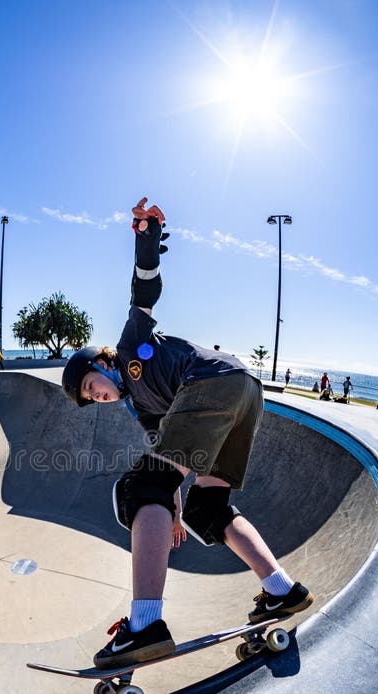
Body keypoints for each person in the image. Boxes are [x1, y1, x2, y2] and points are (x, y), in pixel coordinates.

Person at [61, 196, 314, 669]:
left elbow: (144, 290)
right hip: (246, 395)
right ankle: (282, 589)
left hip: (213, 383)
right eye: (91, 400)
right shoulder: (143, 410)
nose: (97, 397)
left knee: (139, 488)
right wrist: (173, 511)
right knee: (203, 506)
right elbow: (175, 462)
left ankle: (145, 626)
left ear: (101, 363)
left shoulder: (128, 345)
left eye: (92, 387)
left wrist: (146, 238)